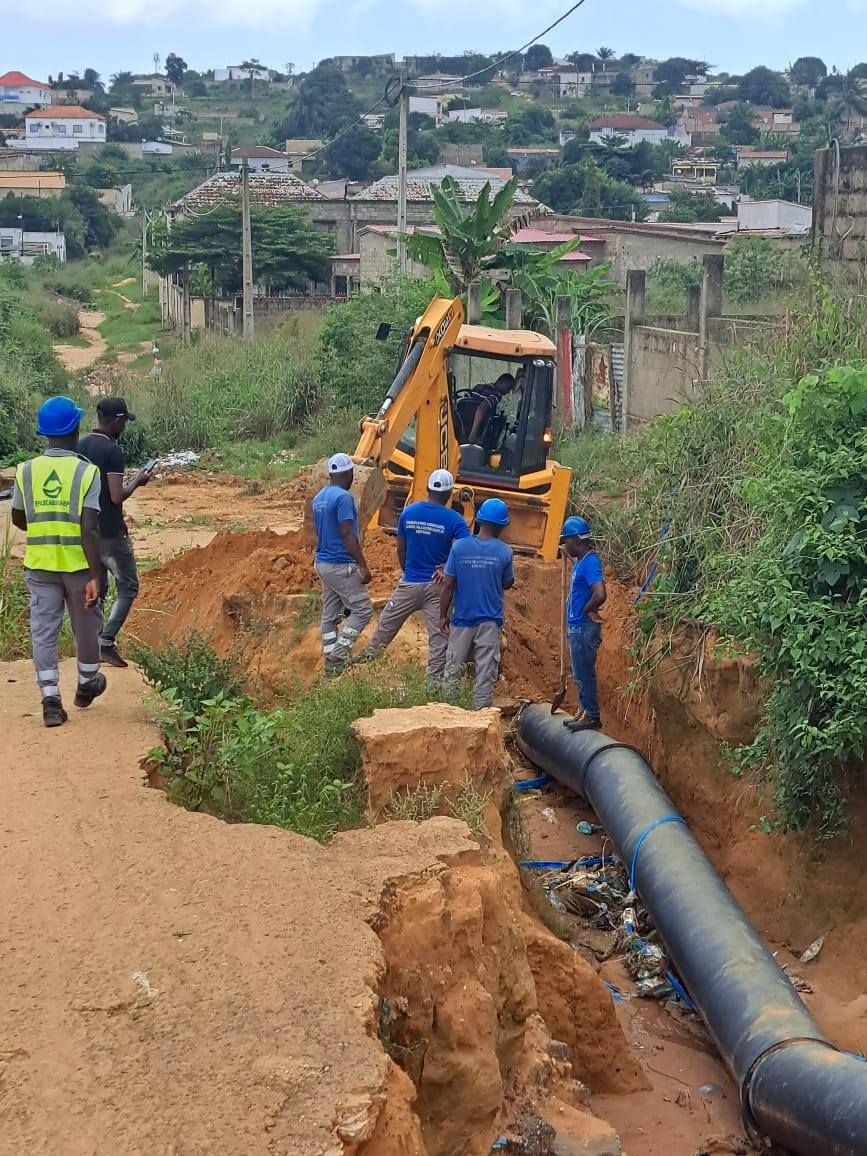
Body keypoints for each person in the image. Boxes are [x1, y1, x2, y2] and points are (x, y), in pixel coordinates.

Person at [10, 397, 106, 727]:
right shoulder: (86, 471)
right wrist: (96, 575)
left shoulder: (26, 471)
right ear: (75, 429)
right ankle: (87, 682)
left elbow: (19, 518)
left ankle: (51, 700)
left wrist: (45, 522)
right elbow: (89, 529)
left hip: (40, 565)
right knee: (86, 625)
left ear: (44, 433)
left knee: (44, 631)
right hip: (78, 567)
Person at [355, 469, 470, 683]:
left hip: (410, 583)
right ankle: (434, 684)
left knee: (387, 623)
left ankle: (364, 661)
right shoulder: (455, 520)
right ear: (449, 494)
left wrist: (407, 571)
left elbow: (401, 548)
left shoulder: (409, 512)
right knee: (439, 638)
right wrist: (447, 567)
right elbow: (466, 550)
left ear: (427, 489)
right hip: (438, 587)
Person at [78, 398, 152, 668]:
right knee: (128, 586)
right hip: (110, 531)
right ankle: (106, 641)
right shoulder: (112, 451)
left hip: (85, 531)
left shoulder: (79, 447)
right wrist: (137, 481)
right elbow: (116, 495)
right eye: (124, 421)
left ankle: (91, 641)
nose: (124, 427)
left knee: (97, 586)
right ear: (117, 420)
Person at [440, 497, 514, 709]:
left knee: (453, 670)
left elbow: (448, 584)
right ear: (502, 526)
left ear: (479, 521)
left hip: (461, 619)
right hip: (489, 622)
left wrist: (443, 615)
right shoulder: (505, 551)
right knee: (485, 673)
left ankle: (448, 715)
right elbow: (508, 583)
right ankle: (480, 717)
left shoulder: (459, 547)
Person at [312, 453, 373, 673]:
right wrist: (362, 565)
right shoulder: (343, 498)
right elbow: (347, 533)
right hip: (340, 564)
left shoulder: (319, 498)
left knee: (330, 616)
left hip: (323, 563)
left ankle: (330, 661)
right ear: (348, 473)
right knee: (363, 610)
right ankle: (337, 656)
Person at [560, 516, 607, 732]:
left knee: (584, 672)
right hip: (577, 627)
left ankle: (592, 716)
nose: (565, 544)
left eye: (566, 540)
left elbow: (600, 593)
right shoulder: (581, 561)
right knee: (579, 673)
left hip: (583, 627)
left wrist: (586, 609)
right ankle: (585, 710)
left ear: (577, 540)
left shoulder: (590, 562)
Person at [466, 373, 516, 447]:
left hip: (464, 429)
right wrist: (473, 433)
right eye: (508, 388)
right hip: (475, 433)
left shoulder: (478, 387)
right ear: (501, 383)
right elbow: (481, 409)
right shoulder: (496, 395)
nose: (508, 392)